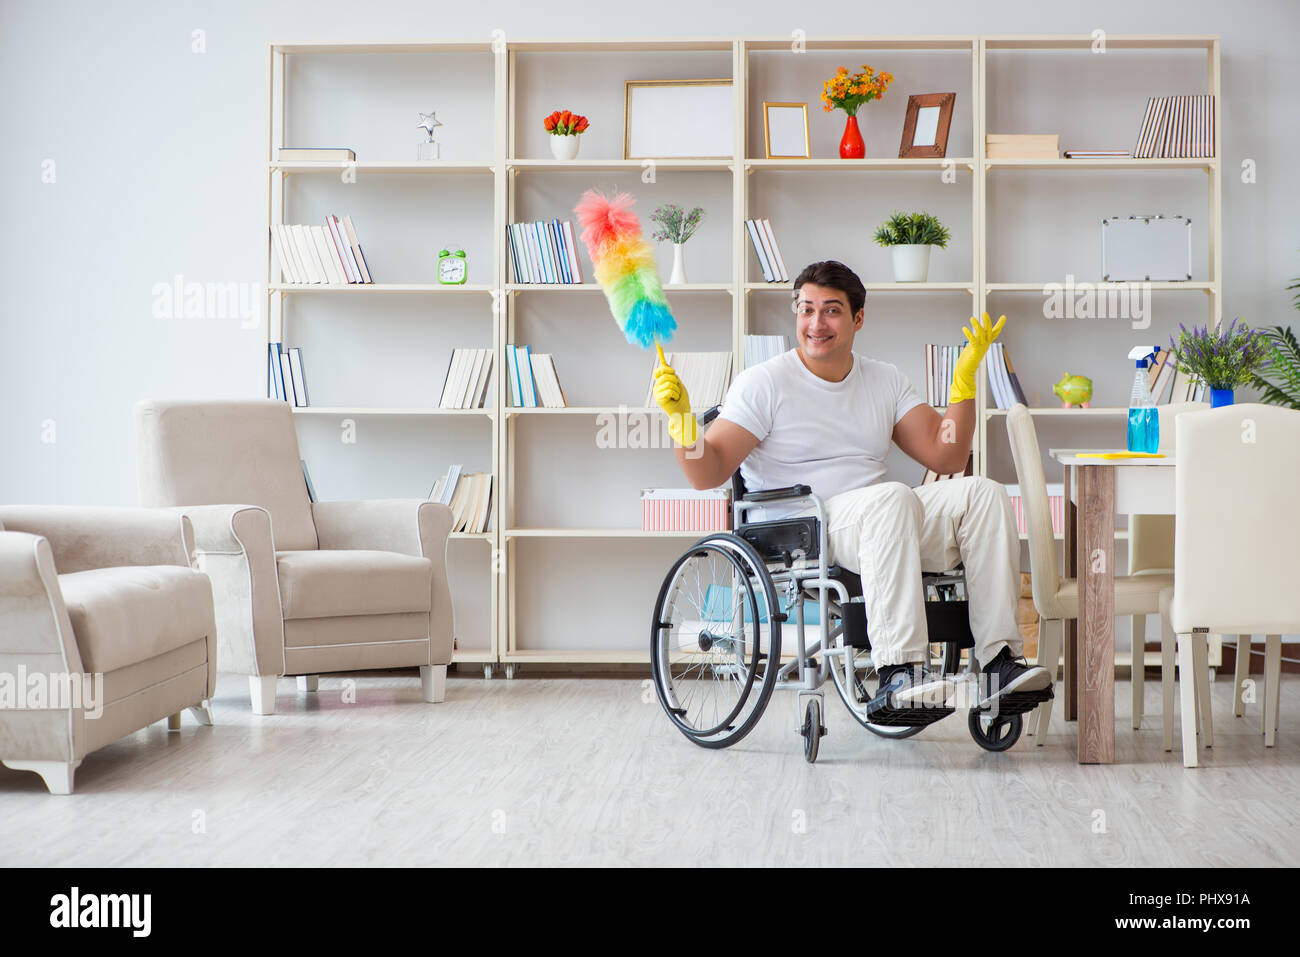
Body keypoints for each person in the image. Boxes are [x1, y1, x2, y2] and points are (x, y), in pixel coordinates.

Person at [652, 260, 1050, 715]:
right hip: (803, 526)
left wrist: (963, 386)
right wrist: (683, 423)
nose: (816, 323)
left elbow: (948, 456)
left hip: (883, 521)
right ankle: (899, 672)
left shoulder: (884, 380)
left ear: (858, 319)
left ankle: (1000, 662)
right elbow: (708, 473)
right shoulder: (764, 383)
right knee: (892, 498)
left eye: (832, 311)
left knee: (983, 492)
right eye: (806, 310)